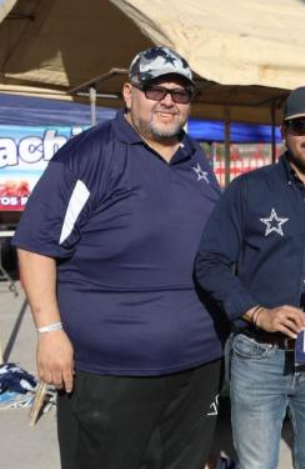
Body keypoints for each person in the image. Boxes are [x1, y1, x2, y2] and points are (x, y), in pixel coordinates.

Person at [12, 46, 224, 469]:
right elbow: (36, 244)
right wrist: (50, 332)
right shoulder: (88, 154)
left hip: (197, 365)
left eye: (180, 93)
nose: (168, 101)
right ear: (129, 94)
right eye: (156, 90)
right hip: (110, 372)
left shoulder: (196, 158)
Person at [195, 85, 305, 469]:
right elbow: (210, 263)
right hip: (258, 355)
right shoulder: (248, 190)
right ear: (284, 131)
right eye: (302, 125)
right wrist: (258, 312)